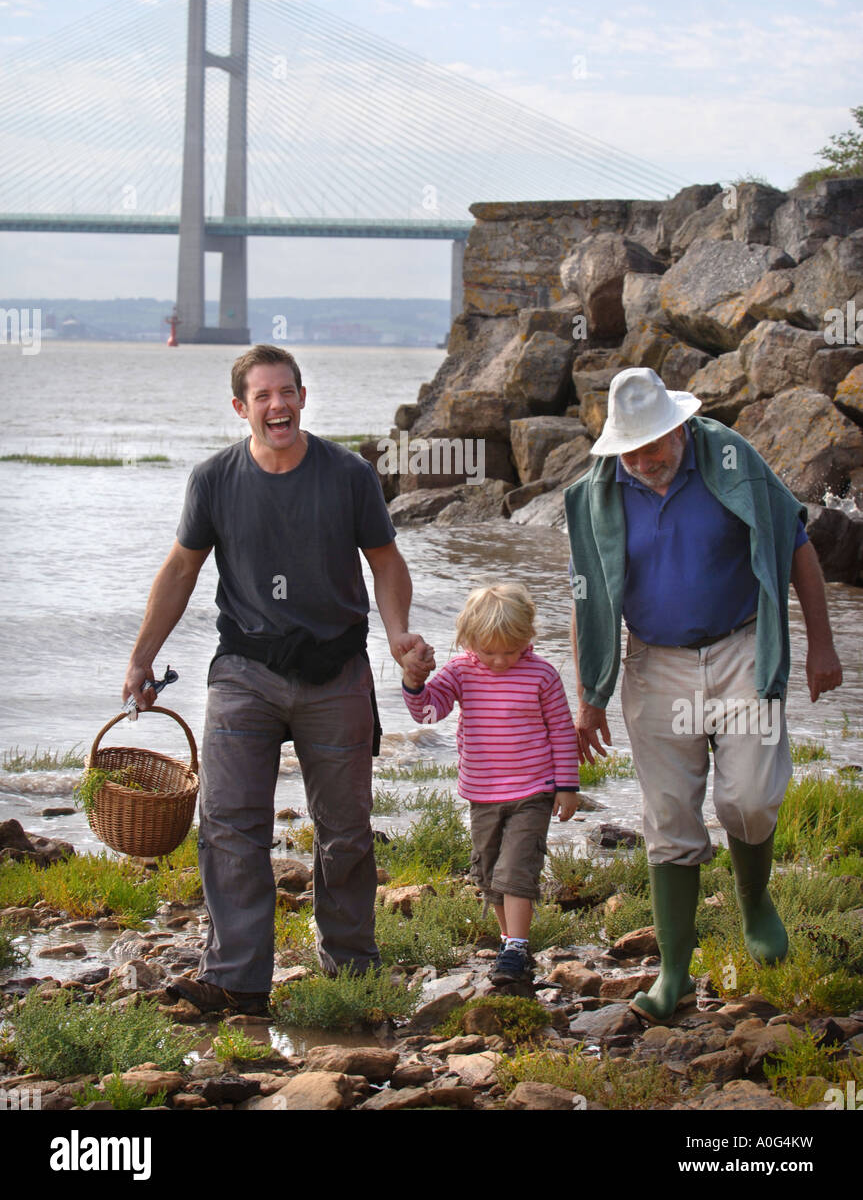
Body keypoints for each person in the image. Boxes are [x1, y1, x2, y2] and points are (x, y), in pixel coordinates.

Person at [122, 344, 434, 1015]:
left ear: (301, 398)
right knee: (229, 825)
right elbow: (181, 571)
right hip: (244, 670)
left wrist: (399, 632)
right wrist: (142, 656)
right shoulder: (214, 479)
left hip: (336, 669)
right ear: (241, 408)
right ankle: (238, 979)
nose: (277, 405)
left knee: (346, 831)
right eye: (262, 396)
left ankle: (351, 971)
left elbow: (385, 562)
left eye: (286, 391)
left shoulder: (348, 474)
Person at [564, 366, 843, 1022]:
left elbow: (795, 541)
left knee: (747, 800)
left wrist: (821, 645)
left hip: (740, 647)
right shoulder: (594, 495)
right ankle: (674, 973)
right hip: (654, 662)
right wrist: (588, 695)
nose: (643, 459)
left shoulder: (728, 458)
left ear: (678, 427)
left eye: (653, 443)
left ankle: (754, 903)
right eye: (629, 449)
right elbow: (586, 596)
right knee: (667, 819)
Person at [401, 583, 579, 985]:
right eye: (489, 651)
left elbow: (562, 733)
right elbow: (429, 714)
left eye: (510, 651)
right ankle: (507, 941)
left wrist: (567, 786)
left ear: (528, 639)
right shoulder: (461, 670)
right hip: (482, 792)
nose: (499, 661)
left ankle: (518, 947)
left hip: (533, 790)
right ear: (469, 641)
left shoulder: (542, 675)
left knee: (516, 869)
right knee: (490, 873)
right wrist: (414, 681)